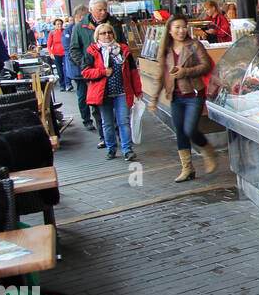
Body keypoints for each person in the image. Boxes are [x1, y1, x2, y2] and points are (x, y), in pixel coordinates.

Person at [150, 14, 219, 182]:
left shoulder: (194, 45)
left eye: (183, 27)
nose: (181, 31)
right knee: (180, 132)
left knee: (189, 129)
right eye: (177, 27)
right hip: (175, 96)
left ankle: (207, 150)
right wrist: (154, 99)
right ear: (170, 30)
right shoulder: (166, 49)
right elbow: (161, 74)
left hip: (194, 94)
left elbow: (206, 66)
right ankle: (187, 168)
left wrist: (185, 72)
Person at [69, 0, 126, 149]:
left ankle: (121, 137)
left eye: (105, 9)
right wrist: (85, 65)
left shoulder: (113, 23)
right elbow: (73, 49)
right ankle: (104, 137)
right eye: (99, 10)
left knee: (118, 107)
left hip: (115, 72)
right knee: (97, 106)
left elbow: (123, 44)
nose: (103, 12)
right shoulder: (81, 26)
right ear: (91, 10)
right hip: (94, 74)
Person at [81, 21, 142, 162]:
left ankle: (127, 150)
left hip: (122, 92)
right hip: (103, 94)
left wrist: (137, 90)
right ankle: (111, 149)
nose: (107, 35)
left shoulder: (123, 49)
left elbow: (133, 72)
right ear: (97, 36)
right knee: (107, 123)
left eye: (109, 32)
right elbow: (85, 72)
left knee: (123, 122)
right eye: (103, 33)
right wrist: (102, 72)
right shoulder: (92, 51)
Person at [63, 7, 88, 124]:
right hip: (78, 70)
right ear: (79, 17)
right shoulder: (68, 31)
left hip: (89, 68)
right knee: (83, 95)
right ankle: (86, 120)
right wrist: (83, 64)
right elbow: (70, 52)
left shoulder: (87, 27)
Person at [46, 18, 69, 90]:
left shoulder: (65, 31)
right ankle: (62, 85)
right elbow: (49, 45)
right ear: (54, 25)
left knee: (66, 69)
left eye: (60, 24)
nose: (59, 25)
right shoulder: (52, 33)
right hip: (56, 54)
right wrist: (51, 53)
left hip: (65, 53)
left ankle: (68, 84)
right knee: (59, 70)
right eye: (57, 24)